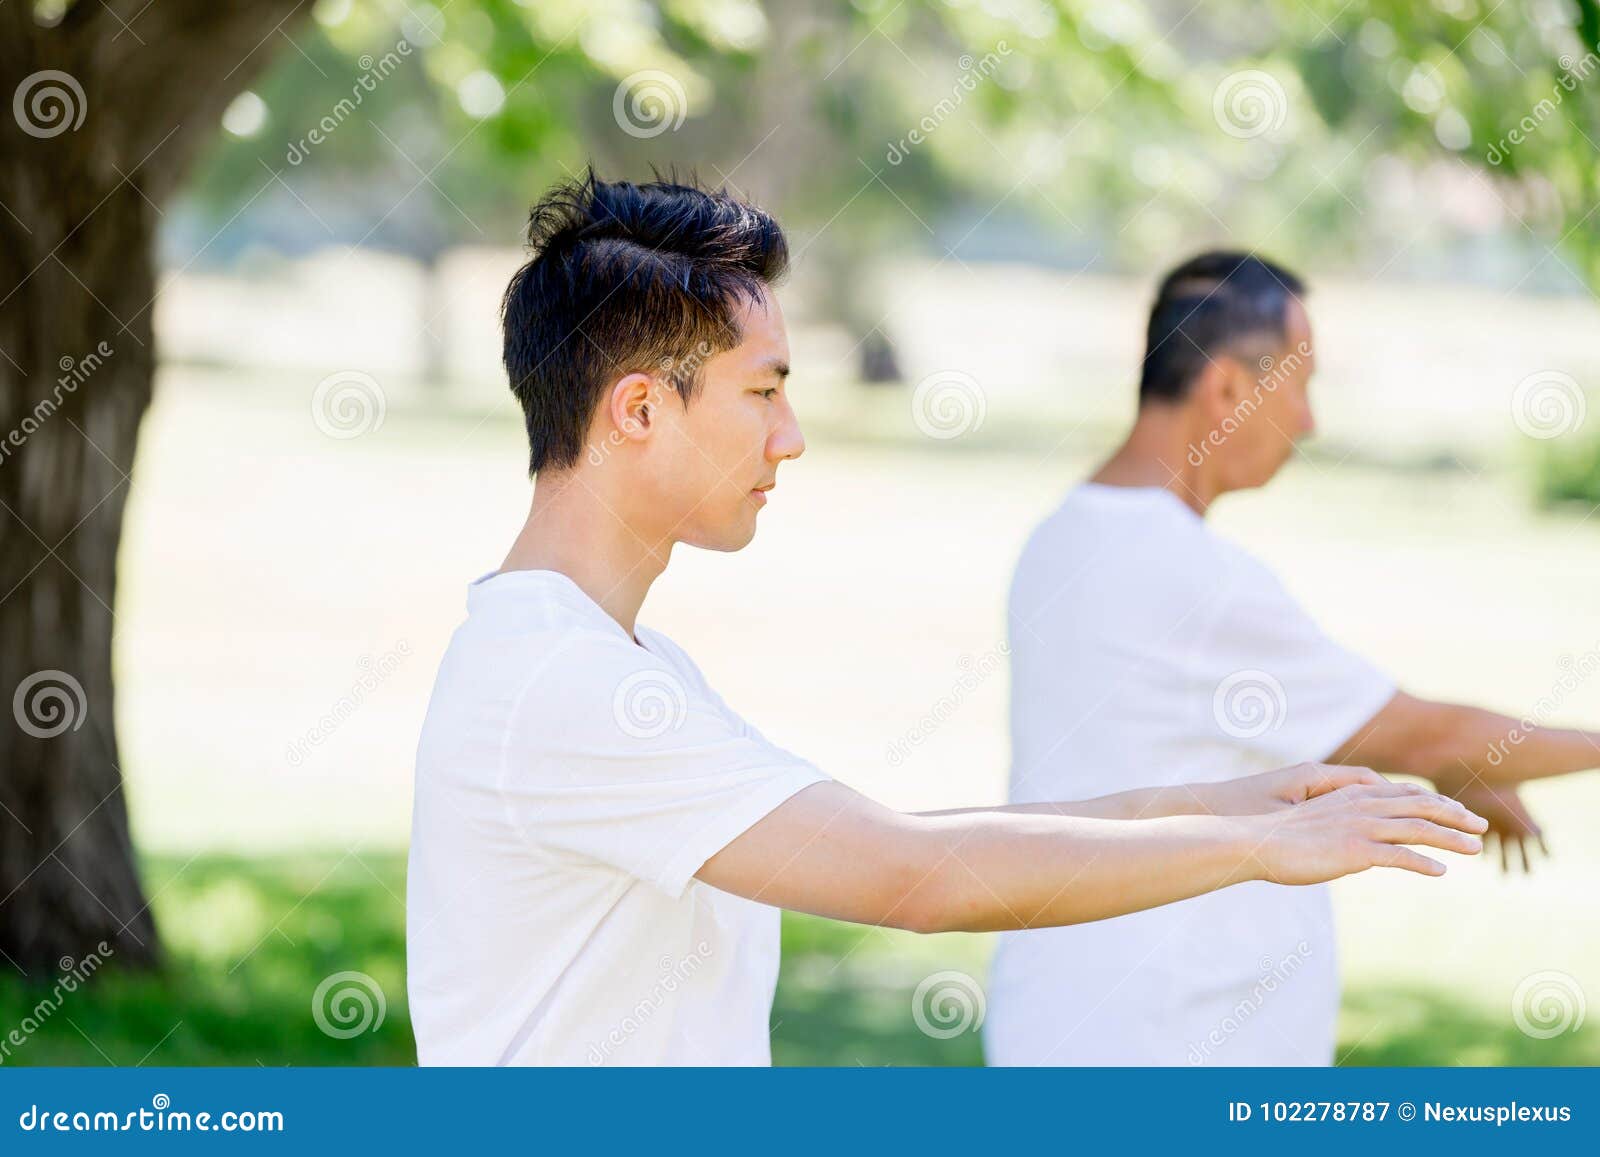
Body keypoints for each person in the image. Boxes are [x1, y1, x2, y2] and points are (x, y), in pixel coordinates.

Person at [404, 179, 1486, 1066]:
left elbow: (891, 836)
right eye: (763, 391)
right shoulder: (569, 685)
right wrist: (1255, 846)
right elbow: (911, 876)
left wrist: (1213, 798)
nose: (790, 436)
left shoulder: (614, 662)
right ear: (639, 408)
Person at [985, 251, 1598, 1068]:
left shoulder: (1062, 539)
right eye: (1299, 384)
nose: (1307, 421)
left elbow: (1198, 740)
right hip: (1169, 1041)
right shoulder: (1189, 574)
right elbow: (1423, 734)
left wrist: (1446, 765)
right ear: (1227, 388)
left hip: (1058, 1020)